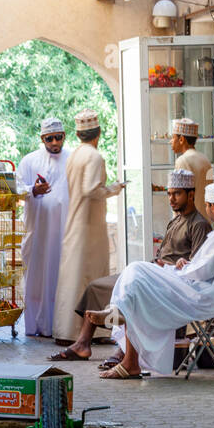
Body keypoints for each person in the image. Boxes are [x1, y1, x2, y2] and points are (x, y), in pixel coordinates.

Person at [83, 182, 214, 379]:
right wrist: (182, 264)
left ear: (212, 206)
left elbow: (204, 271)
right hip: (195, 285)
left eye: (207, 206)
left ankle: (120, 319)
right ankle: (124, 336)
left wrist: (175, 269)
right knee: (137, 278)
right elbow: (205, 266)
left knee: (137, 275)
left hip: (201, 295)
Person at [50, 169, 211, 363]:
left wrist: (169, 266)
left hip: (169, 282)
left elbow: (194, 269)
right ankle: (83, 344)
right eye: (169, 193)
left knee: (131, 294)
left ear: (191, 194)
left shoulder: (199, 224)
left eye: (177, 193)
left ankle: (124, 351)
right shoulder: (175, 220)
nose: (171, 199)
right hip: (153, 272)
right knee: (96, 286)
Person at [52, 110, 126, 342]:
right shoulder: (94, 157)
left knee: (73, 277)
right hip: (89, 228)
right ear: (99, 133)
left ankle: (67, 330)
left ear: (77, 134)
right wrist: (113, 189)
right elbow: (91, 189)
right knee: (93, 278)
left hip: (77, 223)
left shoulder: (75, 154)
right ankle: (90, 332)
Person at [16, 116, 69, 337]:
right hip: (38, 231)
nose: (54, 143)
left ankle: (59, 326)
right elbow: (18, 190)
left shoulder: (73, 158)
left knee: (61, 278)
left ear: (64, 136)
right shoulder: (29, 161)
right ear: (42, 138)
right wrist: (33, 190)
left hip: (64, 232)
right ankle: (35, 326)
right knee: (36, 280)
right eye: (50, 139)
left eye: (58, 138)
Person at [168, 118, 213, 222]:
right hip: (205, 221)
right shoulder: (205, 159)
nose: (171, 141)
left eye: (173, 137)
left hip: (189, 224)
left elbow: (178, 198)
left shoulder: (182, 160)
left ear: (181, 139)